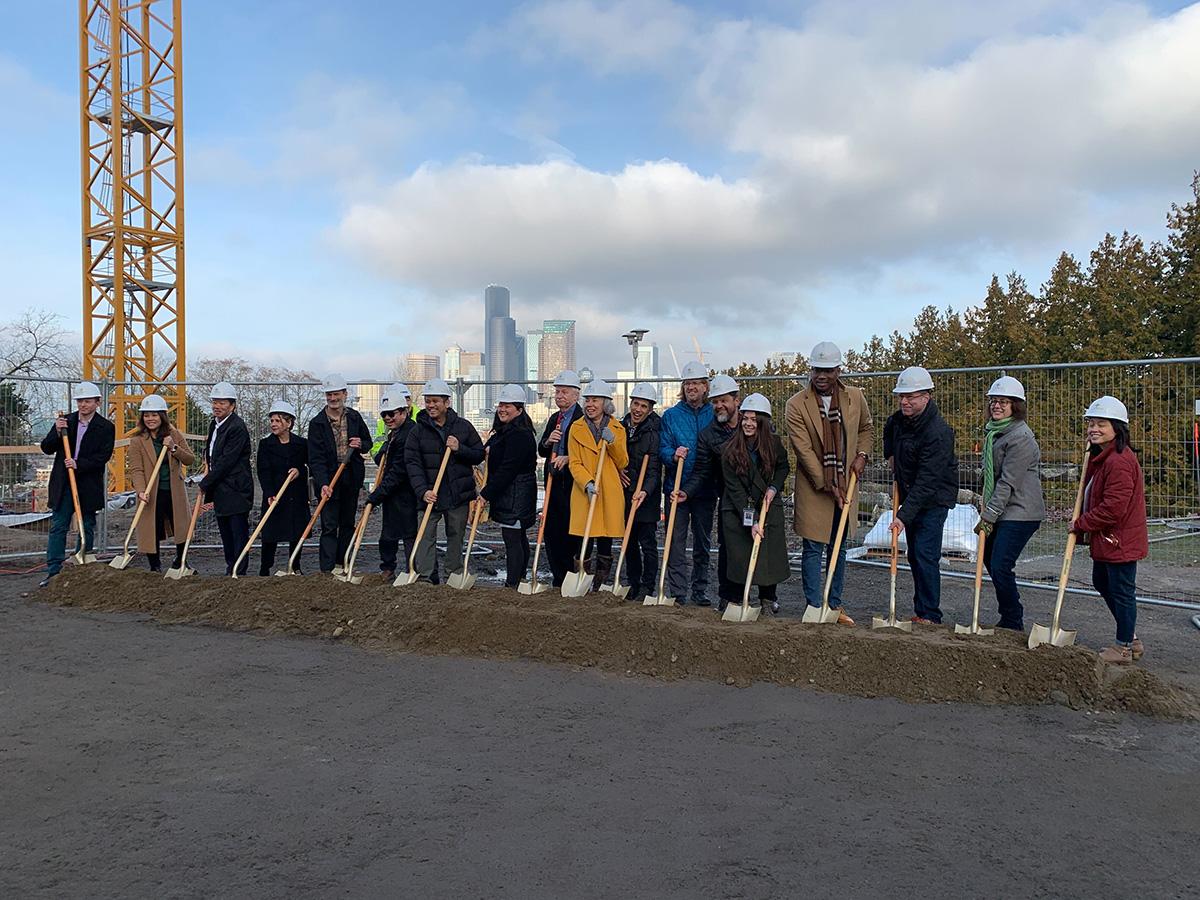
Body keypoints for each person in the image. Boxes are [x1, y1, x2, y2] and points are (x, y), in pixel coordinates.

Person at [785, 342, 872, 625]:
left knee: (839, 546)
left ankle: (834, 605)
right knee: (813, 546)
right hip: (815, 486)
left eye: (826, 370)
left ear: (838, 371)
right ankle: (814, 604)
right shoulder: (796, 404)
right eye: (816, 370)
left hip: (847, 481)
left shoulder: (855, 397)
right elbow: (804, 450)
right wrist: (827, 484)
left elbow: (866, 429)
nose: (820, 376)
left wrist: (862, 455)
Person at [1070, 396, 1148, 665]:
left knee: (1122, 590)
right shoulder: (1103, 457)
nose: (1094, 429)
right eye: (1091, 423)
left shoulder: (1119, 461)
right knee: (1103, 583)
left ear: (1117, 427)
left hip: (1120, 539)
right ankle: (1131, 638)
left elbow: (1114, 509)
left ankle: (1124, 647)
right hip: (1109, 539)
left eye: (1101, 424)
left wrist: (1080, 524)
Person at [884, 366, 958, 625]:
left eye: (910, 397)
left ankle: (930, 615)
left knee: (925, 554)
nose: (904, 401)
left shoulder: (938, 432)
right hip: (911, 494)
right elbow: (888, 429)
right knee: (914, 554)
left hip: (934, 499)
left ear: (926, 398)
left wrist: (903, 516)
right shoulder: (900, 420)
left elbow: (928, 482)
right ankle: (921, 610)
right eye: (902, 396)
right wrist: (890, 455)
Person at [974, 376, 1045, 631]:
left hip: (1021, 511)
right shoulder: (994, 432)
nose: (997, 406)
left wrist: (988, 516)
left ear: (1016, 406)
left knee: (1001, 564)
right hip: (1003, 510)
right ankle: (1008, 615)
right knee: (990, 559)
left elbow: (1008, 482)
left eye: (1004, 402)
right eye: (994, 401)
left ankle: (1013, 620)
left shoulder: (1020, 437)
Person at [404, 378, 485, 583]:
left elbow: (478, 454)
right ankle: (424, 578)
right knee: (425, 537)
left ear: (446, 403)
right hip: (429, 494)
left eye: (435, 401)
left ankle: (454, 576)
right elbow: (412, 464)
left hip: (457, 493)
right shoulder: (417, 431)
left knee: (456, 536)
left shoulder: (463, 427)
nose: (431, 405)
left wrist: (460, 449)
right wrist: (423, 491)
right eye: (428, 401)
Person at [674, 373, 741, 609]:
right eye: (716, 402)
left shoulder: (752, 424)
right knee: (727, 545)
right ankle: (727, 595)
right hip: (728, 498)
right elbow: (703, 470)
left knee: (756, 545)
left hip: (756, 496)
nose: (719, 405)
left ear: (736, 400)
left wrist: (772, 488)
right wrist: (686, 492)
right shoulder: (709, 434)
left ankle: (764, 597)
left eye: (724, 400)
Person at [39, 380, 115, 585]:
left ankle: (83, 567)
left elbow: (103, 456)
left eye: (88, 401)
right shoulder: (65, 422)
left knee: (87, 526)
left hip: (88, 484)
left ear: (97, 402)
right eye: (80, 401)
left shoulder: (106, 427)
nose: (83, 405)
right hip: (64, 484)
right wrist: (56, 431)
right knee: (58, 526)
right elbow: (46, 448)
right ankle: (53, 571)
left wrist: (78, 464)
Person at [720, 394, 790, 611]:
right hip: (738, 507)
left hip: (768, 505)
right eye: (745, 418)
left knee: (769, 553)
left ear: (763, 422)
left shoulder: (775, 445)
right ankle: (739, 599)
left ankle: (768, 598)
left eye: (754, 419)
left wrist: (773, 487)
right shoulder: (729, 450)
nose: (749, 424)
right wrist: (752, 520)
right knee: (740, 554)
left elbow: (783, 468)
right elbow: (735, 490)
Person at [659, 360, 715, 605]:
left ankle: (699, 590)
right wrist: (672, 455)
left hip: (705, 489)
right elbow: (662, 448)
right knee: (675, 542)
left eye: (697, 383)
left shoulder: (714, 414)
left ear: (705, 387)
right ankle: (679, 592)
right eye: (688, 383)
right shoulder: (671, 416)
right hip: (676, 488)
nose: (692, 387)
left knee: (703, 542)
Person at [566, 380, 628, 590]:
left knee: (605, 538)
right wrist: (587, 483)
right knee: (584, 537)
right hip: (585, 490)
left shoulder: (617, 428)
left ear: (606, 404)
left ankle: (600, 584)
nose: (590, 404)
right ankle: (582, 579)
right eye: (588, 400)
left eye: (595, 400)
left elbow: (623, 462)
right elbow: (574, 462)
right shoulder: (576, 428)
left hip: (608, 490)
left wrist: (612, 443)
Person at [308, 373, 373, 573]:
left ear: (345, 394)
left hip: (351, 476)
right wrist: (322, 483)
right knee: (328, 525)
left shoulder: (354, 417)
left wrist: (361, 444)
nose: (333, 399)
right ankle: (327, 570)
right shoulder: (317, 423)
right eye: (329, 395)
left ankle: (343, 563)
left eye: (336, 394)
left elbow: (368, 442)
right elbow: (315, 458)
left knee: (347, 523)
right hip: (329, 478)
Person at [479, 384, 538, 587]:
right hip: (512, 493)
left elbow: (507, 469)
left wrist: (486, 493)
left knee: (512, 538)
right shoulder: (505, 432)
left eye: (508, 406)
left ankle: (512, 584)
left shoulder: (519, 435)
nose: (502, 409)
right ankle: (519, 577)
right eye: (501, 405)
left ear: (519, 410)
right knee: (517, 536)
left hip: (516, 493)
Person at [128, 394, 194, 572]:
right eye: (147, 415)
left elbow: (189, 459)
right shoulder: (137, 441)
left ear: (162, 416)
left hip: (173, 490)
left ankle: (180, 561)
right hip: (151, 491)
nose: (150, 419)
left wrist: (173, 447)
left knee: (180, 527)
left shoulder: (174, 435)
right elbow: (136, 469)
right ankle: (154, 566)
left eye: (154, 415)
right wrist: (141, 491)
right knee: (152, 528)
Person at [366, 384, 421, 582]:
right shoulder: (394, 433)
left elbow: (399, 471)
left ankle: (412, 570)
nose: (388, 418)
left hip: (407, 492)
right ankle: (388, 568)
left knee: (408, 533)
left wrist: (376, 495)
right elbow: (388, 459)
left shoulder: (409, 434)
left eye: (392, 414)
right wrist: (383, 452)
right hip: (393, 493)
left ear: (404, 412)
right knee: (388, 532)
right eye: (384, 415)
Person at [199, 382, 254, 576]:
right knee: (226, 533)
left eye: (222, 402)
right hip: (222, 489)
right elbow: (213, 455)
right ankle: (230, 567)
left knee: (237, 532)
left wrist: (206, 483)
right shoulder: (215, 424)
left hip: (236, 489)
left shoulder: (237, 427)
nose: (217, 406)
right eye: (215, 401)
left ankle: (239, 570)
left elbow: (227, 461)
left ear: (232, 405)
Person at [537, 370, 585, 587]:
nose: (559, 396)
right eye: (557, 392)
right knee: (552, 529)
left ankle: (572, 572)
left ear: (576, 395)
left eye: (564, 392)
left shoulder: (582, 419)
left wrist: (569, 458)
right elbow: (541, 449)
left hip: (573, 483)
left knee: (571, 529)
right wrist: (548, 442)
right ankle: (558, 576)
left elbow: (588, 453)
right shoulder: (554, 418)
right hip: (553, 482)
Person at [255, 400, 310, 576]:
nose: (273, 424)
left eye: (277, 421)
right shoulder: (266, 445)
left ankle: (295, 566)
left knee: (296, 532)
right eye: (272, 421)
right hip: (275, 495)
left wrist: (299, 471)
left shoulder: (302, 444)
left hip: (296, 495)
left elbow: (310, 466)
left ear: (289, 423)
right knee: (270, 534)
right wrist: (269, 493)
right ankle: (265, 568)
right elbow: (263, 470)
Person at [619, 382, 662, 602]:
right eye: (636, 404)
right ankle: (632, 583)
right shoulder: (621, 428)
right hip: (626, 494)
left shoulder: (654, 433)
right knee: (629, 543)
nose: (638, 409)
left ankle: (648, 586)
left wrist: (644, 492)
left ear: (650, 410)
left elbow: (654, 471)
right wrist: (618, 471)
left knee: (647, 543)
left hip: (646, 497)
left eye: (644, 406)